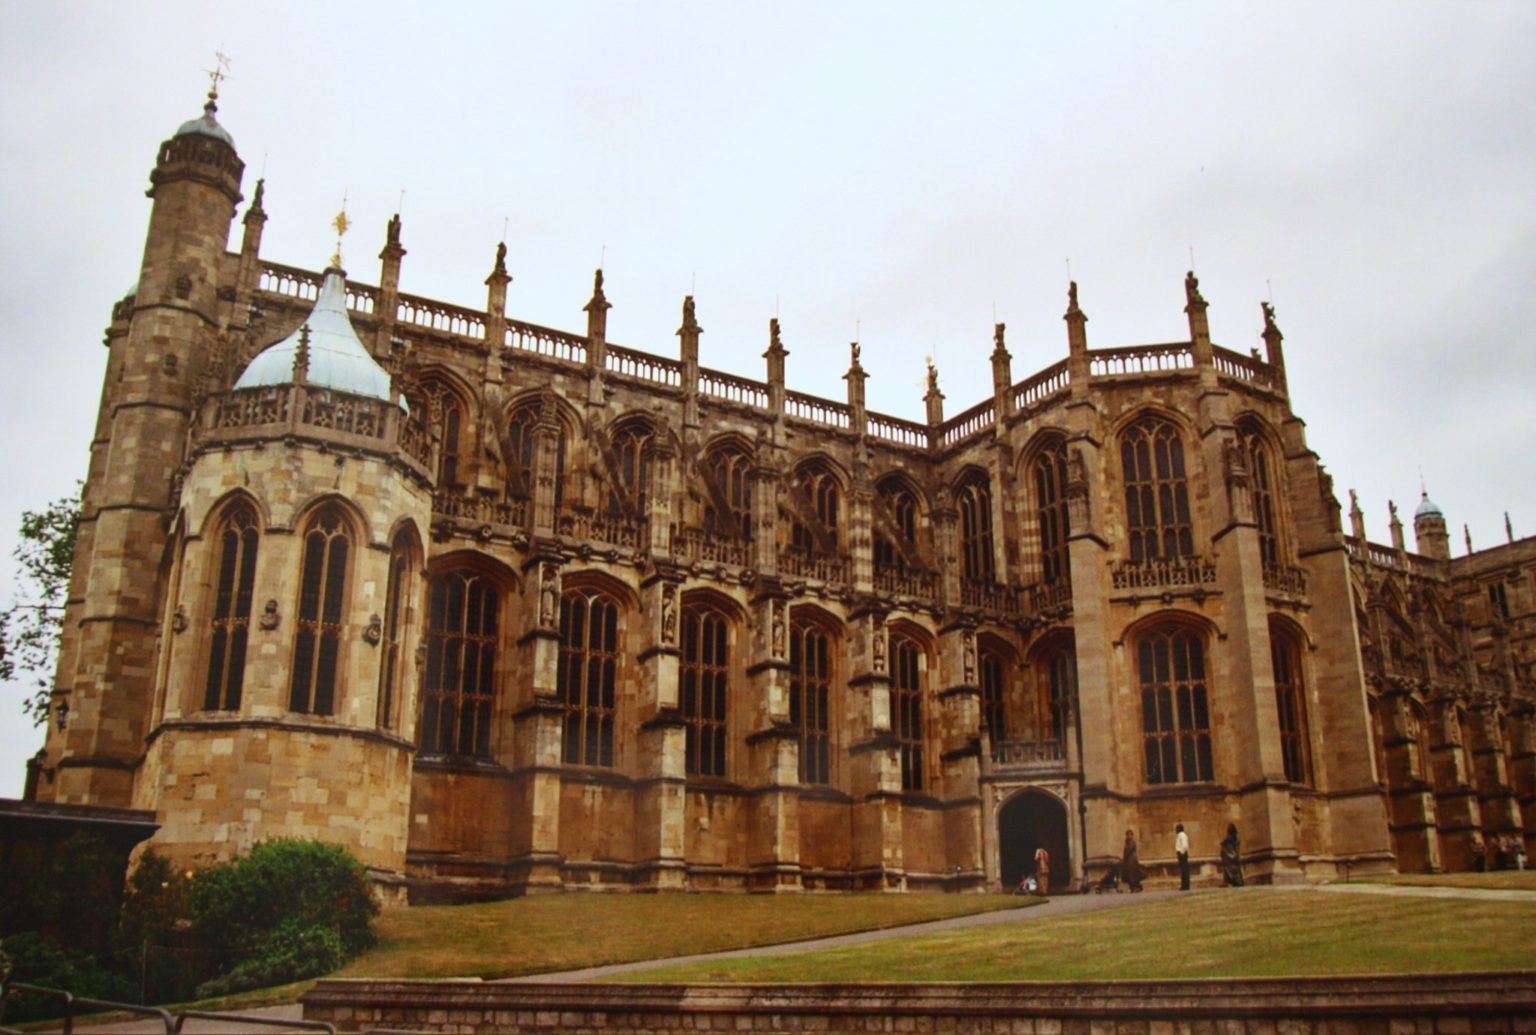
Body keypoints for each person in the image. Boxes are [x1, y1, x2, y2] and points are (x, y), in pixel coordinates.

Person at [1175, 823, 1191, 891]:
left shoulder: (1182, 835)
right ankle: (1184, 884)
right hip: (1181, 853)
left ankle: (1185, 885)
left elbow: (1184, 845)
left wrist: (1182, 853)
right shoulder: (1180, 836)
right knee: (1183, 870)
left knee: (1184, 870)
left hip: (1182, 854)